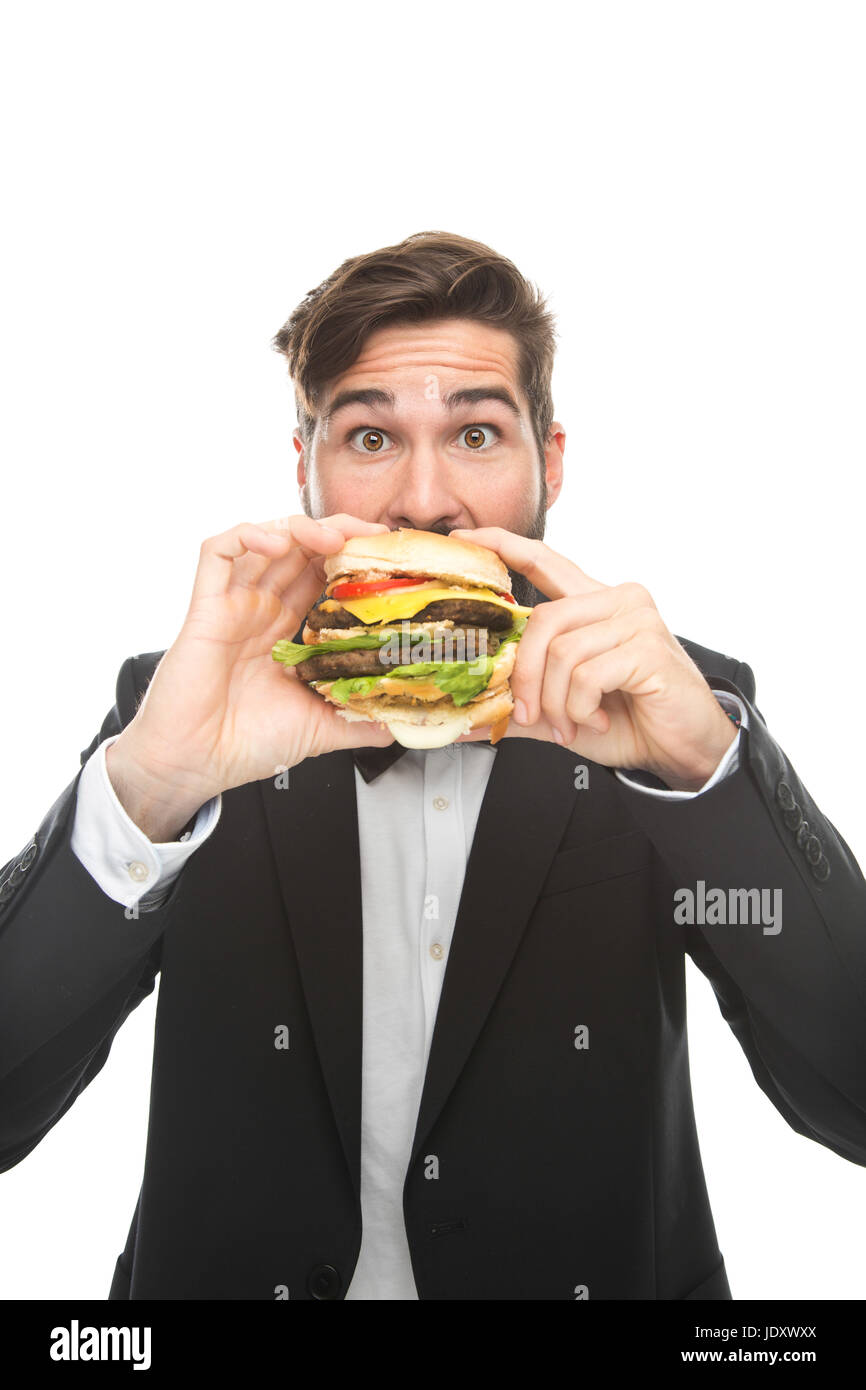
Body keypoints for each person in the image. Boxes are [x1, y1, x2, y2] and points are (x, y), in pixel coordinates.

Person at [1, 231, 864, 1301]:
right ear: (303, 467)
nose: (421, 500)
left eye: (473, 432)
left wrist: (707, 769)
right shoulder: (185, 702)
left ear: (549, 461)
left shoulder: (665, 713)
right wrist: (150, 790)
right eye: (369, 436)